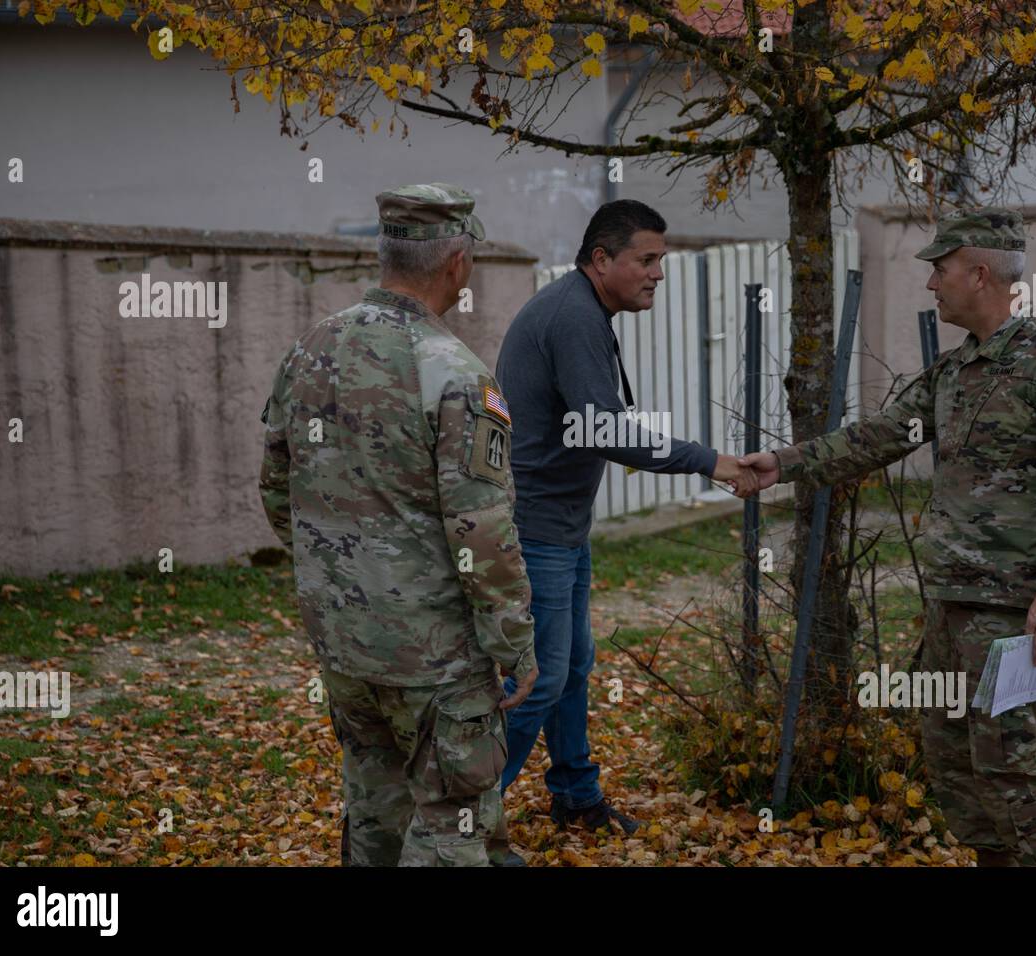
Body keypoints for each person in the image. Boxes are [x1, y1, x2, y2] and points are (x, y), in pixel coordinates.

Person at [739, 208, 1036, 866]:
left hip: (1015, 609)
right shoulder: (956, 372)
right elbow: (878, 436)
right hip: (950, 605)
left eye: (939, 270)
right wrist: (783, 465)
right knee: (956, 771)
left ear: (978, 274)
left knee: (1016, 771)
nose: (930, 285)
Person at [259, 183, 539, 867]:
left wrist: (338, 577)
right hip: (435, 656)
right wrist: (512, 642)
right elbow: (480, 530)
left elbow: (276, 489)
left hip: (344, 641)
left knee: (377, 807)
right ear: (458, 264)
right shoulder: (455, 375)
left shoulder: (308, 351)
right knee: (453, 820)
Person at [493, 199, 758, 838]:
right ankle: (456, 815)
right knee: (538, 677)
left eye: (661, 261)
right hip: (535, 530)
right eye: (646, 260)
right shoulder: (574, 316)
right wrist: (711, 461)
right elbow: (606, 431)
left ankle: (576, 798)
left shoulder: (582, 309)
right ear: (602, 259)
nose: (657, 274)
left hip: (559, 527)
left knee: (571, 666)